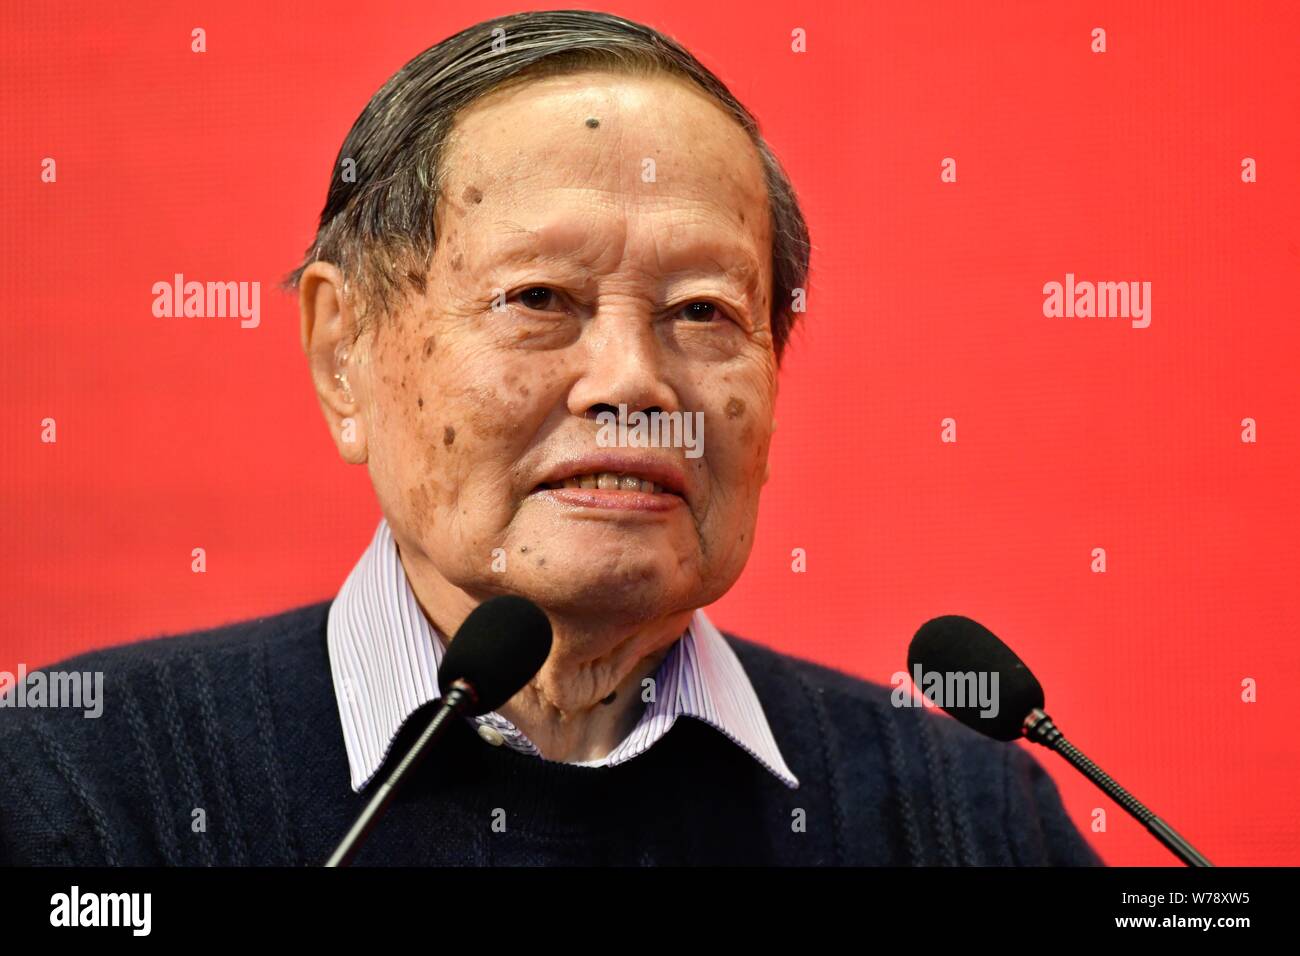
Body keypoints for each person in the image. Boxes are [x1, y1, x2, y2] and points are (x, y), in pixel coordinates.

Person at [0, 9, 1102, 866]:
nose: (631, 379)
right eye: (539, 297)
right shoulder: (81, 788)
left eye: (704, 311)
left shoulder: (962, 812)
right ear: (345, 350)